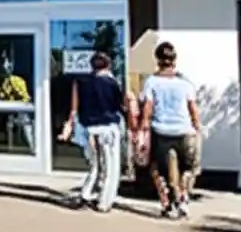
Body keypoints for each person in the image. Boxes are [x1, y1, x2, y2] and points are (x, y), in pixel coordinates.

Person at [140, 42, 202, 219]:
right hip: (184, 131)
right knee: (187, 168)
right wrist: (197, 126)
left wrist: (143, 129)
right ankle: (183, 198)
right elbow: (192, 108)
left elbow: (148, 107)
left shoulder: (151, 82)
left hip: (161, 131)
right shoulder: (185, 83)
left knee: (157, 169)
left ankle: (167, 203)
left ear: (157, 60)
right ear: (174, 60)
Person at [58, 52, 125, 212]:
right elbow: (118, 106)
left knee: (95, 164)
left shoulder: (81, 82)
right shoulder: (112, 83)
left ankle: (86, 193)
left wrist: (69, 125)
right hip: (108, 128)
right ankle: (104, 202)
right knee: (111, 166)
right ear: (108, 65)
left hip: (89, 129)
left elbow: (74, 109)